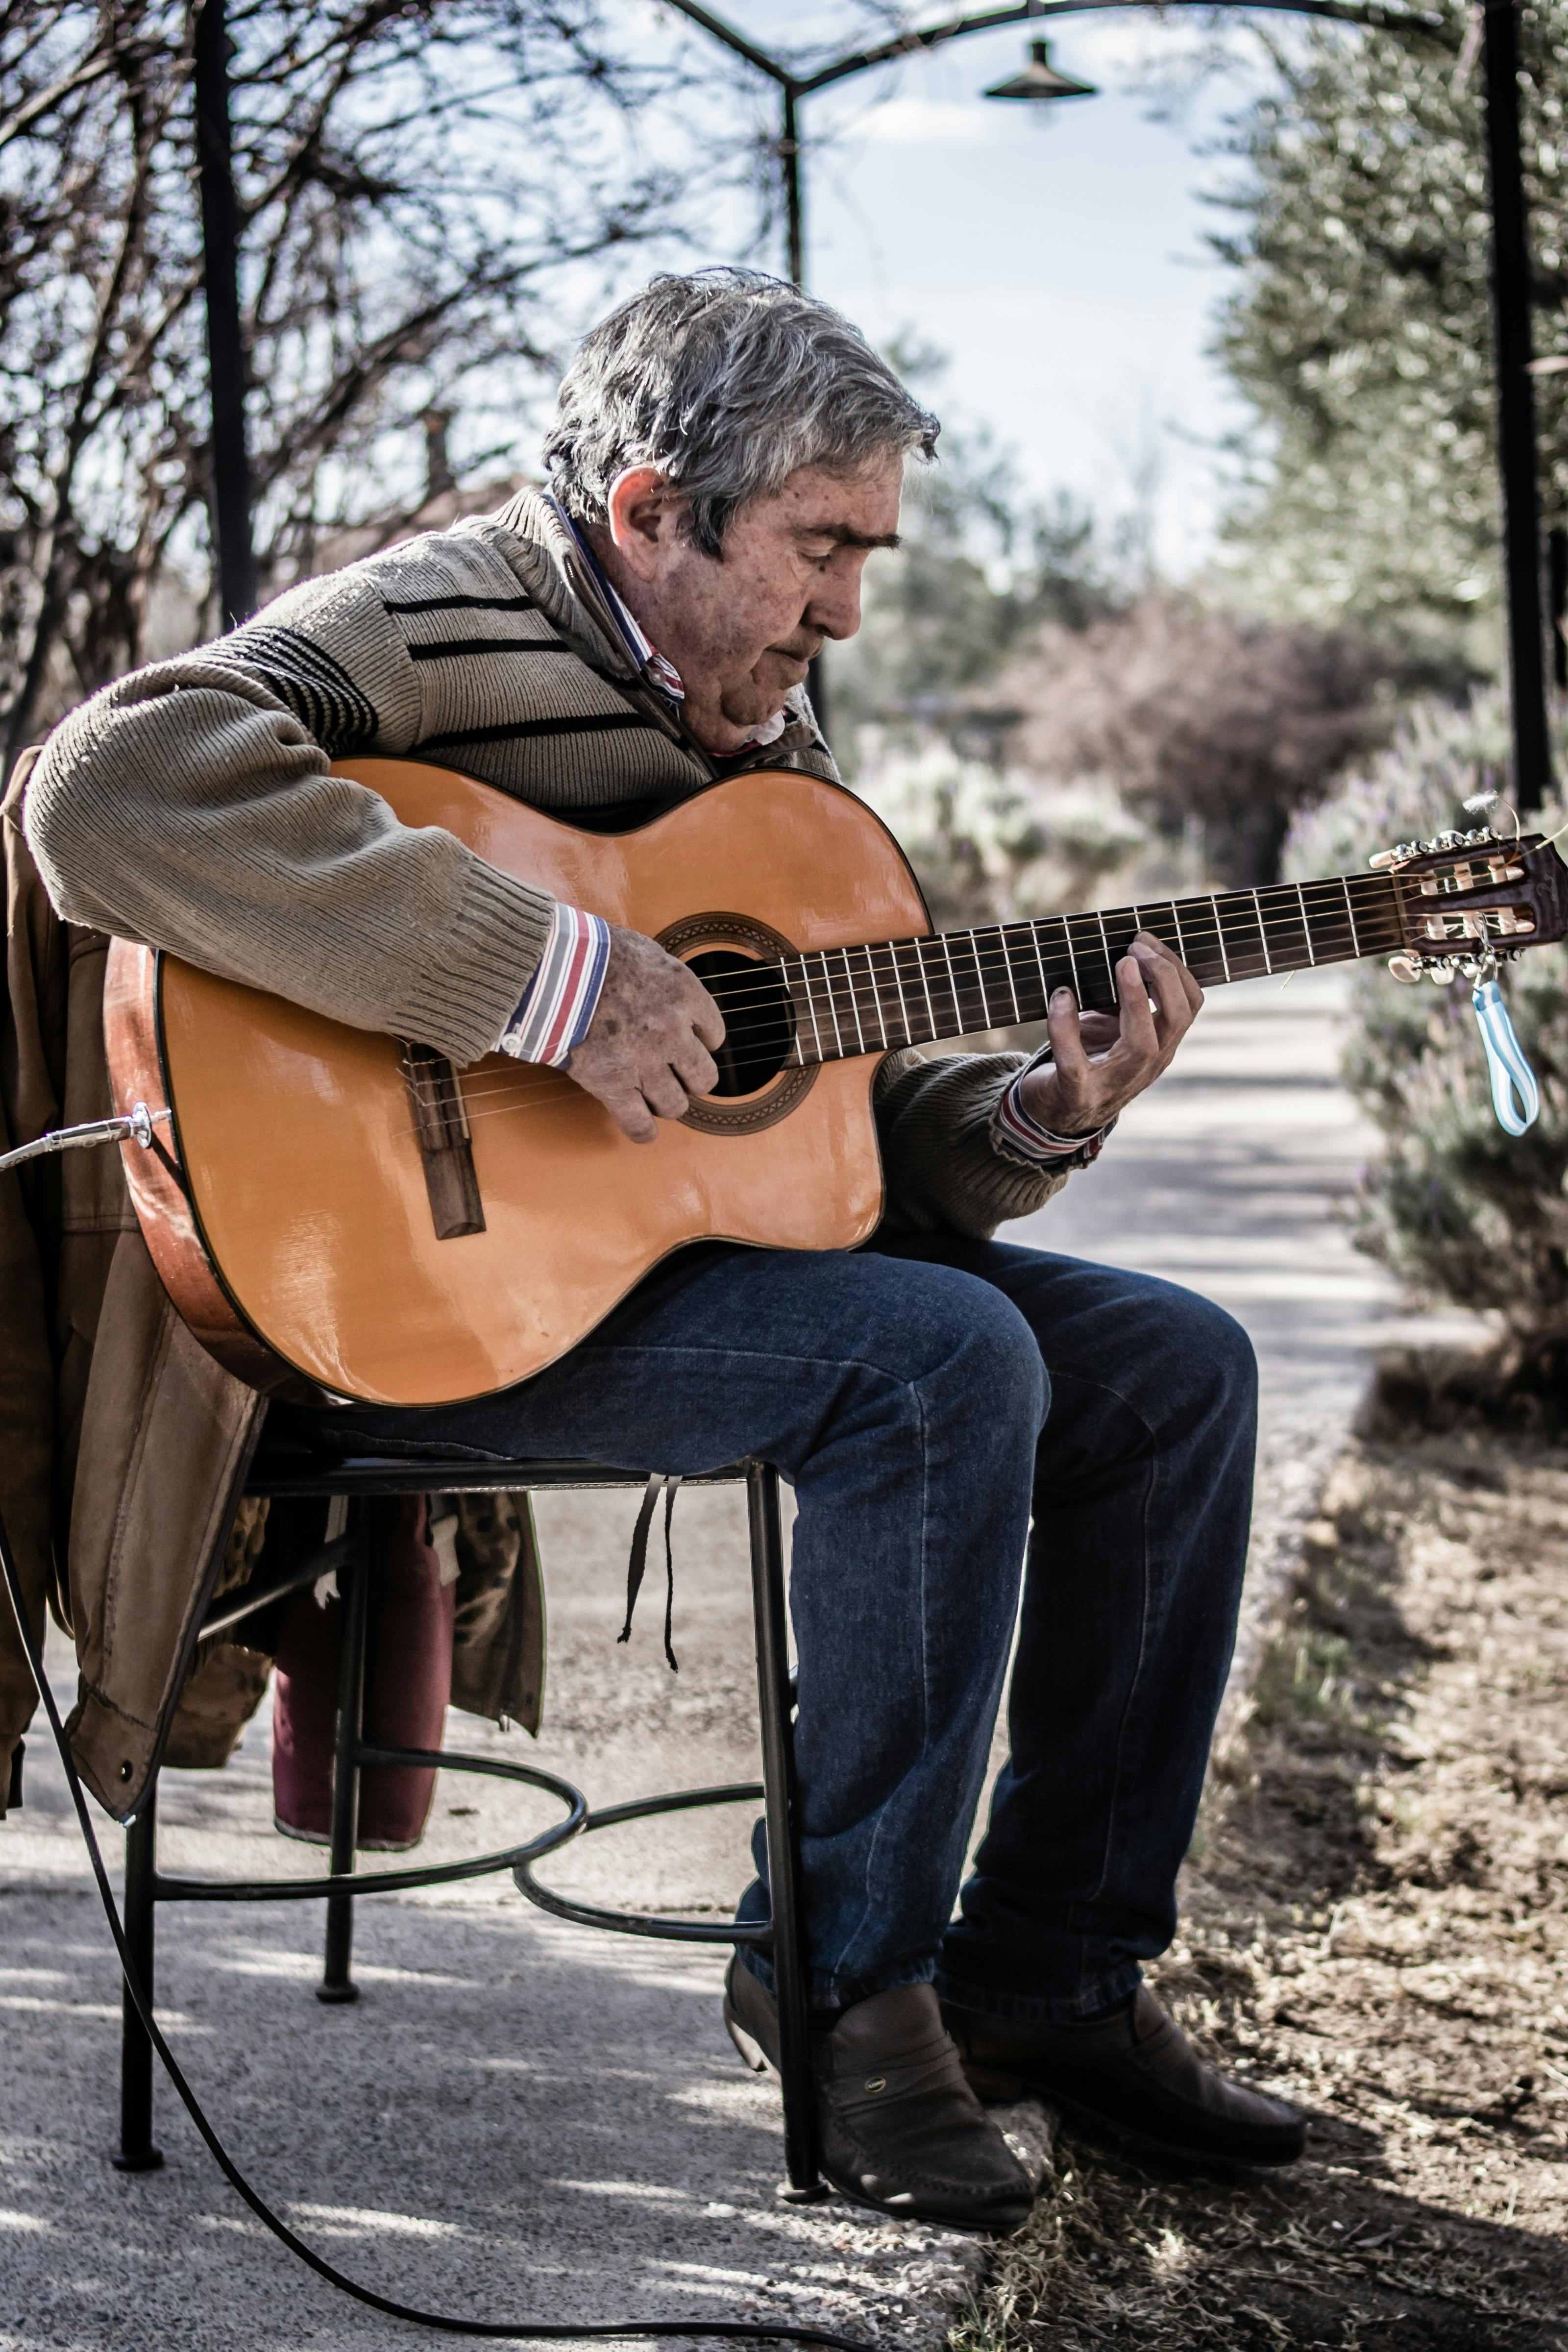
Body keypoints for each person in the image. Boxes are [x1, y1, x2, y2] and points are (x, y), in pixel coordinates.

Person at [24, 267, 1304, 2230]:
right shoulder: (441, 617)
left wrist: (1036, 1118)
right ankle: (833, 1991)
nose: (846, 612)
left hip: (648, 1266)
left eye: (870, 554)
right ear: (648, 510)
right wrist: (530, 976)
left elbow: (807, 1137)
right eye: (818, 550)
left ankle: (1046, 1972)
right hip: (400, 1288)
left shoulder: (750, 718)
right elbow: (104, 792)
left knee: (1169, 1369)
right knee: (939, 1364)